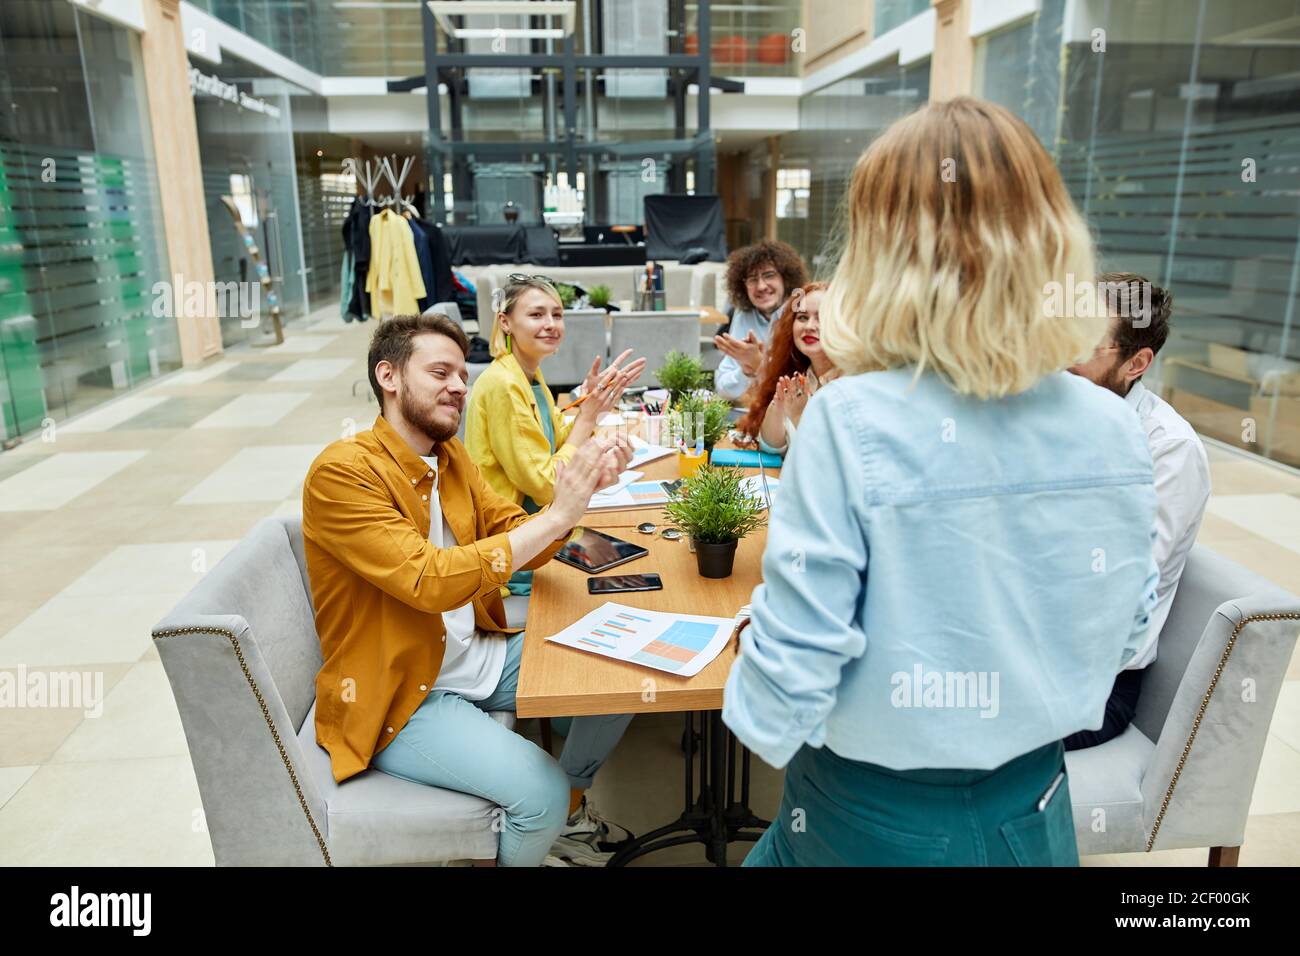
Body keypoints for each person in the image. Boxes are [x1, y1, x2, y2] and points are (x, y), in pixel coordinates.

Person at [721, 97, 1160, 867]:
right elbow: (1129, 630)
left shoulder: (849, 418)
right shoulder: (1113, 421)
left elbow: (788, 683)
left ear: (881, 252)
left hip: (866, 815)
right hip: (1032, 810)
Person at [302, 313, 636, 867]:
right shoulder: (342, 473)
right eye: (440, 372)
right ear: (388, 377)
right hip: (402, 696)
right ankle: (552, 812)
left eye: (462, 373)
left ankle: (571, 809)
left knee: (620, 666)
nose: (459, 386)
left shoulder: (450, 457)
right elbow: (428, 580)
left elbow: (512, 530)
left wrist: (579, 496)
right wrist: (555, 518)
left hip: (474, 652)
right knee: (539, 794)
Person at [1065, 273, 1210, 750]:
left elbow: (1123, 592)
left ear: (1137, 362)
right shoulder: (1050, 419)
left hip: (1093, 689)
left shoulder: (1169, 450)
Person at [465, 275, 644, 596]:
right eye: (536, 315)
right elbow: (546, 485)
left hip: (539, 536)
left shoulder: (525, 373)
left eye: (557, 314)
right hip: (515, 555)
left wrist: (591, 402)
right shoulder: (504, 384)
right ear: (505, 322)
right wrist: (588, 415)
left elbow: (554, 434)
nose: (551, 324)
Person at [735, 282, 840, 455]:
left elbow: (834, 461)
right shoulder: (801, 376)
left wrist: (799, 418)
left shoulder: (850, 384)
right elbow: (771, 446)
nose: (809, 326)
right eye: (802, 317)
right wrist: (778, 407)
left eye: (821, 317)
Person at [713, 240, 808, 401]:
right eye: (752, 279)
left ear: (785, 278)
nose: (761, 286)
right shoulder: (744, 314)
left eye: (769, 275)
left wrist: (758, 364)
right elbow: (723, 388)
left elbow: (800, 388)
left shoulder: (802, 313)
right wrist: (746, 372)